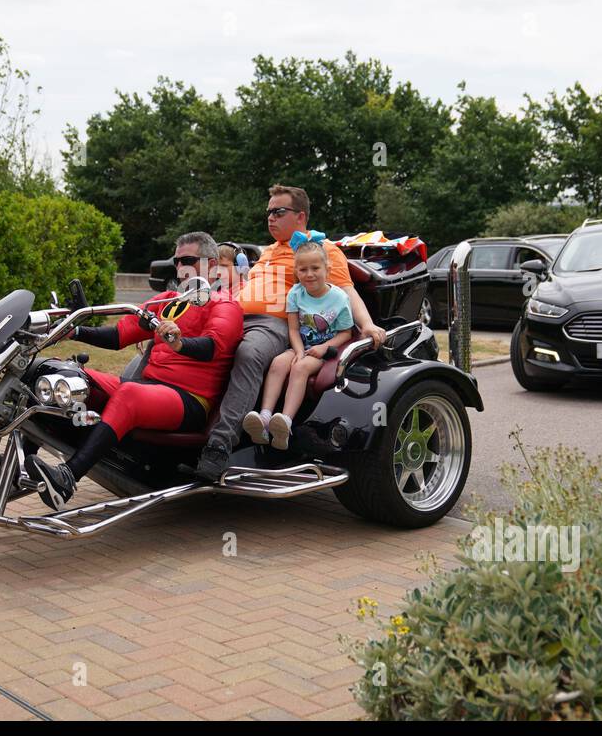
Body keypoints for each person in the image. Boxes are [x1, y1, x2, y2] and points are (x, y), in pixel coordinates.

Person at [26, 231, 243, 507]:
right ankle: (21, 465)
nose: (179, 268)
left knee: (129, 394)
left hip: (190, 400)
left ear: (212, 265)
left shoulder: (225, 305)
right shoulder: (168, 299)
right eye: (176, 262)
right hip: (151, 388)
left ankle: (68, 476)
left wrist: (179, 343)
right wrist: (75, 330)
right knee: (61, 375)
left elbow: (212, 346)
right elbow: (119, 336)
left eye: (187, 260)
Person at [194, 184, 387, 481]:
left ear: (300, 216)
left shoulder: (319, 250)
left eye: (278, 211)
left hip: (276, 323)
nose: (270, 217)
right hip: (234, 315)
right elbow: (246, 287)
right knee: (183, 343)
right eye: (268, 212)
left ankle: (220, 444)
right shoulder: (267, 251)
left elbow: (346, 291)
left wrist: (368, 324)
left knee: (248, 352)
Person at [243, 235, 354, 449]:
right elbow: (293, 329)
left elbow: (346, 333)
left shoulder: (339, 298)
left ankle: (285, 420)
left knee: (301, 368)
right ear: (296, 272)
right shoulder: (296, 293)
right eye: (303, 270)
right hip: (300, 346)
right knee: (278, 363)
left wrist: (321, 349)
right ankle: (265, 417)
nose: (309, 274)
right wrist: (299, 350)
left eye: (315, 268)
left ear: (327, 270)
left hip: (325, 351)